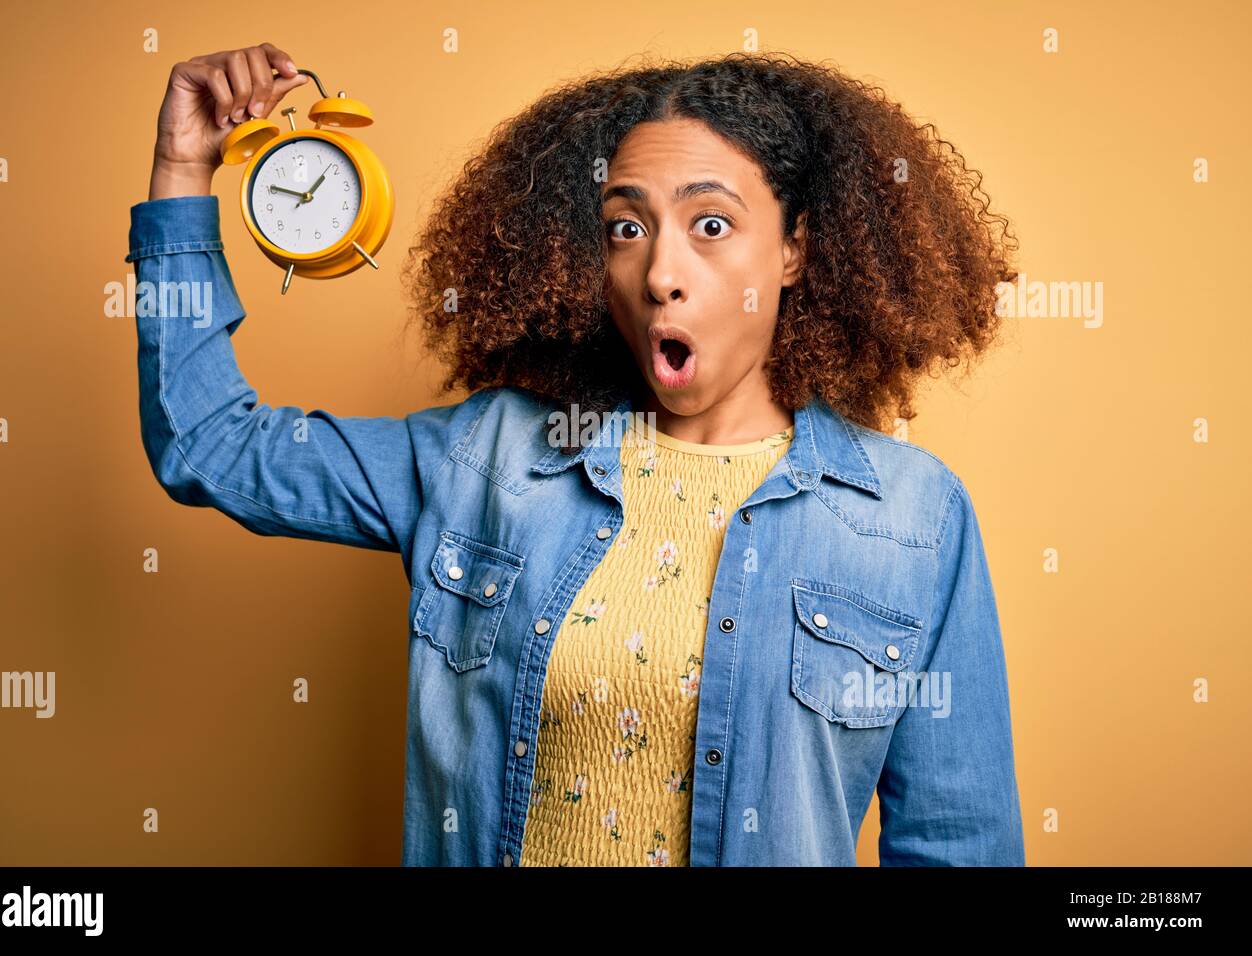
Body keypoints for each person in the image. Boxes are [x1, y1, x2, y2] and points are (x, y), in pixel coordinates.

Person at [127, 43, 1024, 866]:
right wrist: (181, 171)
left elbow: (957, 844)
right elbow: (210, 445)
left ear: (793, 249)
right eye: (625, 228)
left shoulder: (912, 519)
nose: (660, 272)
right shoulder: (489, 460)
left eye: (711, 225)